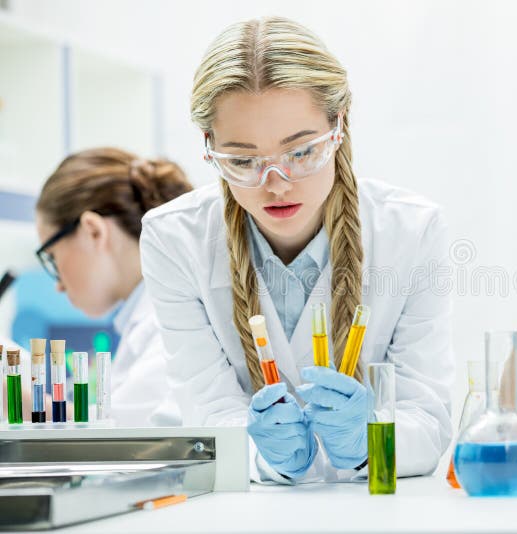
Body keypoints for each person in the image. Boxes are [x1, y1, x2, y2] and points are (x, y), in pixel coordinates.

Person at [139, 16, 454, 483]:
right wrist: (265, 452)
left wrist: (365, 438)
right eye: (243, 160)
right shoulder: (173, 239)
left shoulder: (413, 230)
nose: (276, 183)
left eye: (301, 151)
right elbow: (208, 410)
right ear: (209, 148)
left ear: (338, 125)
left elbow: (426, 422)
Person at [35, 147, 192, 426]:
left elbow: (131, 438)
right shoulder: (147, 315)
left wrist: (19, 398)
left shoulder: (171, 318)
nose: (58, 285)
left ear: (93, 230)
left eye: (53, 258)